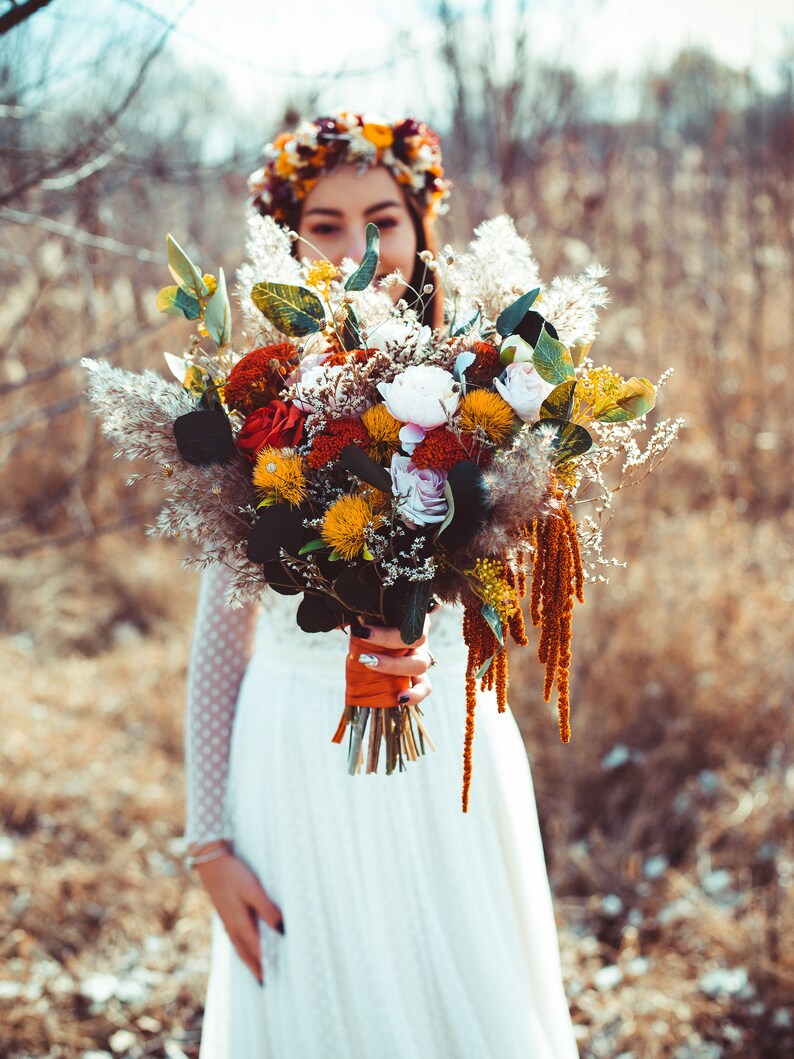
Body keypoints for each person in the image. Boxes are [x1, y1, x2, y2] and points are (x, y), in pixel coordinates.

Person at [184, 111, 579, 1058]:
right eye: (325, 223)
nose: (360, 245)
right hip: (294, 759)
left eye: (383, 218)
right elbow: (218, 641)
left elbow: (504, 598)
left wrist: (411, 628)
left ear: (419, 228)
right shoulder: (250, 404)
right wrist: (208, 844)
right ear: (290, 238)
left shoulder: (489, 390)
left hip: (449, 752)